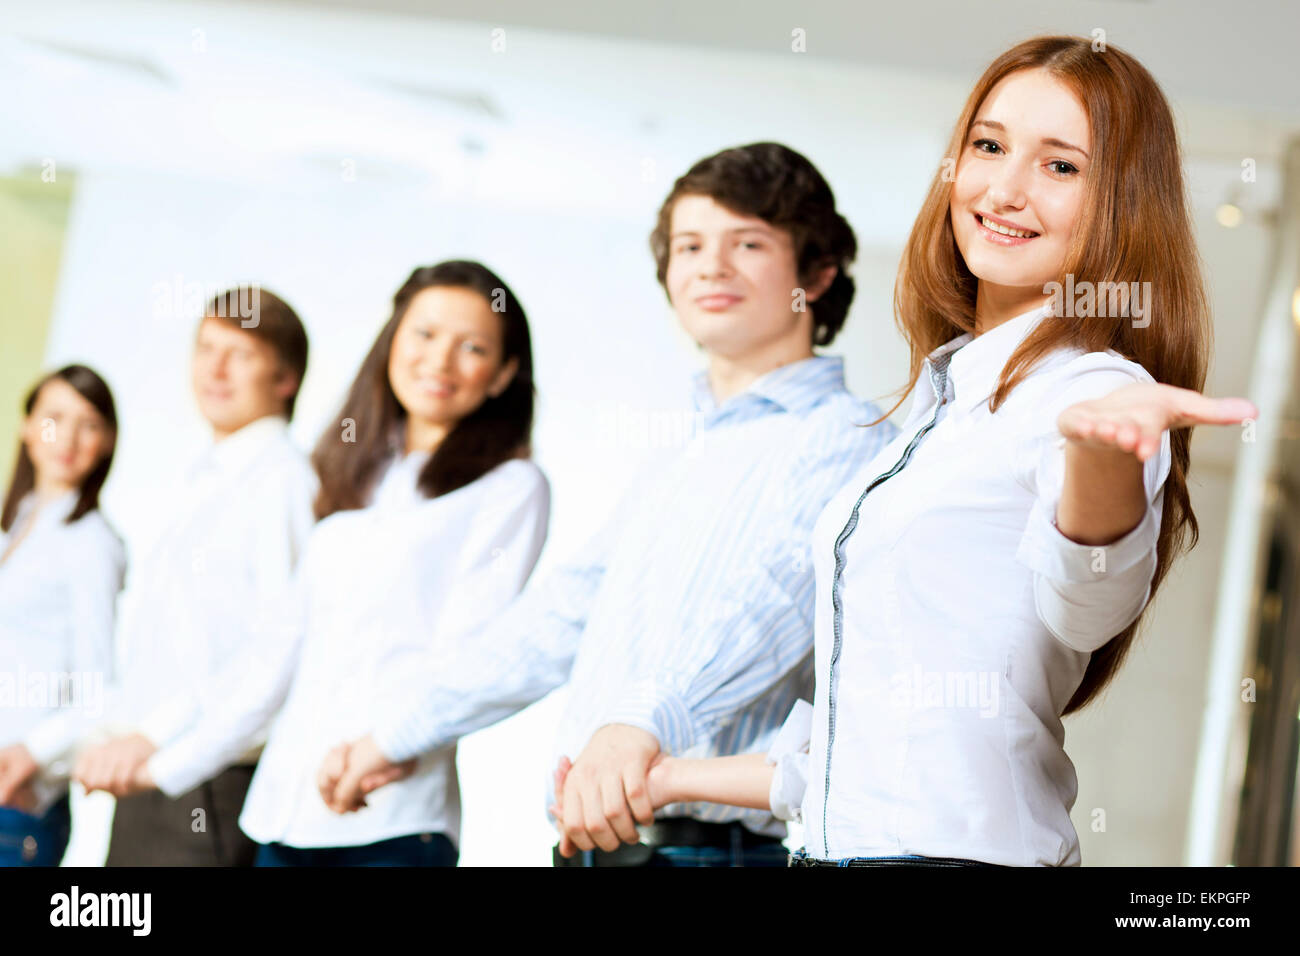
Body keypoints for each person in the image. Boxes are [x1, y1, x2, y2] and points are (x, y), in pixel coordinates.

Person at [552, 36, 1257, 867]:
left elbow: (1090, 605)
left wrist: (1102, 458)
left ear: (1122, 204)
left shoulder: (1087, 392)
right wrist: (669, 778)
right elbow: (866, 745)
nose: (1005, 187)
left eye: (1061, 166)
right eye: (989, 147)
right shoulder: (940, 406)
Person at [318, 144, 900, 867]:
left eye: (747, 243)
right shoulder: (678, 459)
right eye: (689, 246)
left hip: (705, 852)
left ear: (816, 274)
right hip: (594, 847)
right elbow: (558, 616)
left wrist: (639, 722)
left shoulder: (845, 438)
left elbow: (769, 604)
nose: (711, 266)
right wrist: (397, 734)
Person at [91, 260, 550, 867]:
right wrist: (165, 761)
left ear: (503, 374)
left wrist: (387, 743)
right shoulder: (350, 475)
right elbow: (274, 656)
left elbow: (469, 656)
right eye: (425, 335)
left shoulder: (510, 488)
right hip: (283, 818)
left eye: (472, 347)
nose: (440, 360)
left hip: (390, 823)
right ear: (393, 343)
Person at [63, 287, 317, 866]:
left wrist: (151, 735)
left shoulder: (283, 483)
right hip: (149, 775)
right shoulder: (203, 476)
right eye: (206, 347)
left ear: (285, 379)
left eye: (242, 353)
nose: (215, 368)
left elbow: (273, 654)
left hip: (206, 784)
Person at [0, 366, 125, 866]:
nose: (67, 438)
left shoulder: (91, 543)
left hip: (17, 804)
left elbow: (101, 690)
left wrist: (31, 754)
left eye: (89, 424)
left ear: (108, 443)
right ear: (28, 426)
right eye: (53, 418)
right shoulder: (19, 523)